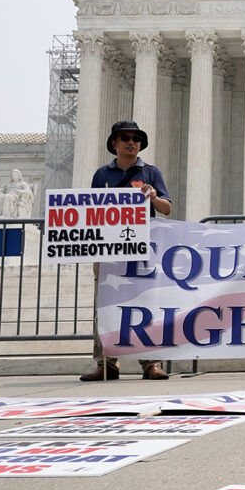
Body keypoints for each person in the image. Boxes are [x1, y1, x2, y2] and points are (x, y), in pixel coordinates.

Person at [79, 120, 173, 382]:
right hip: (109, 251)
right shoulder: (101, 175)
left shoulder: (151, 172)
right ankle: (107, 363)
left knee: (147, 304)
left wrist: (153, 197)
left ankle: (151, 362)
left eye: (136, 138)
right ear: (114, 144)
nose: (131, 142)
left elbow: (166, 209)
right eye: (125, 138)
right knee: (105, 306)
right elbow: (90, 211)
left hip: (142, 249)